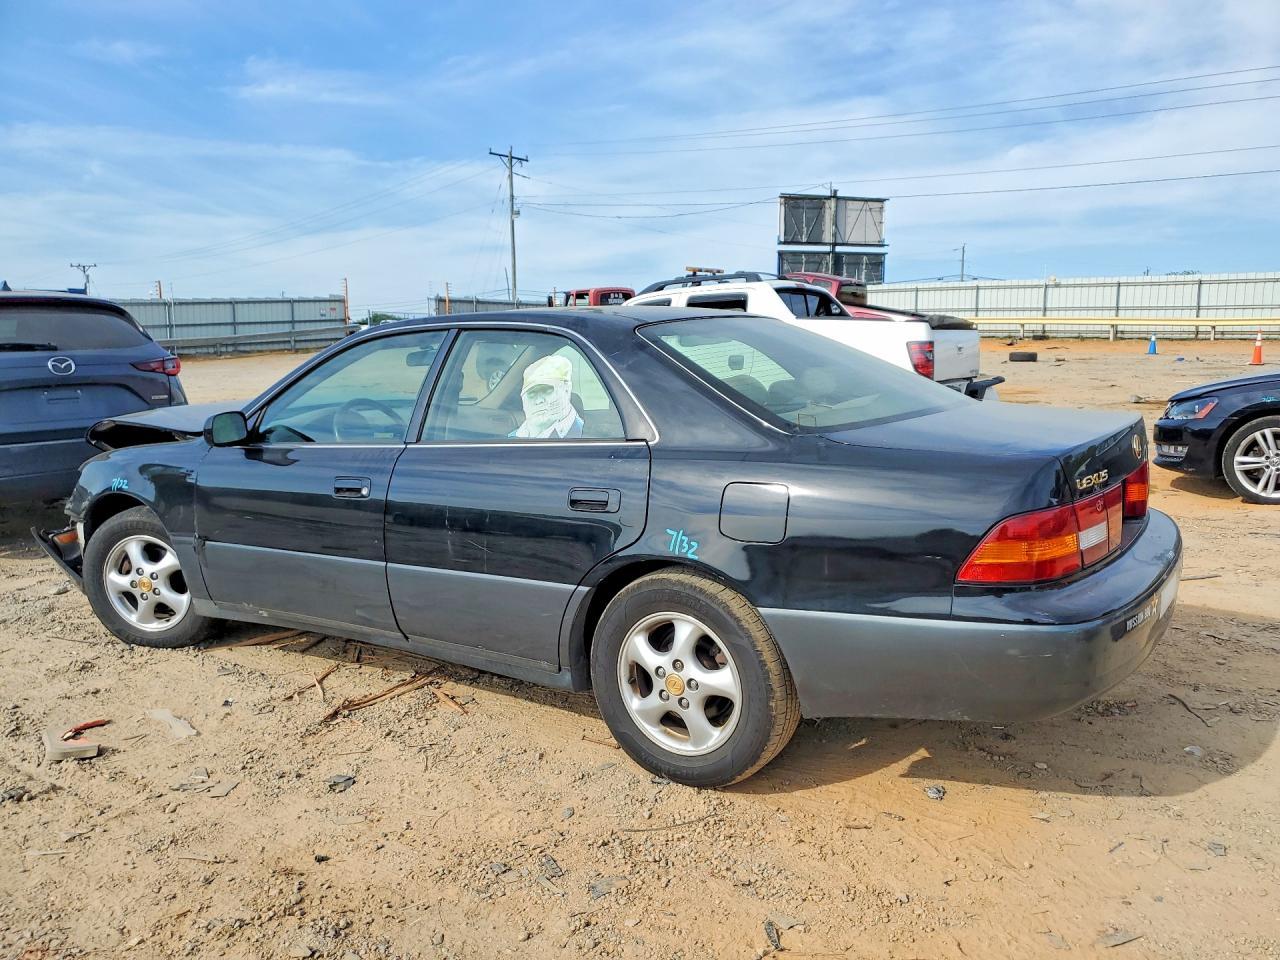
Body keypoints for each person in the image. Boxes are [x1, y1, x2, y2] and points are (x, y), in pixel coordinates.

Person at [510, 354, 583, 439]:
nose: (538, 401)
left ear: (566, 390)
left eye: (547, 390)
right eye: (531, 394)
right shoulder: (512, 438)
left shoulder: (582, 435)